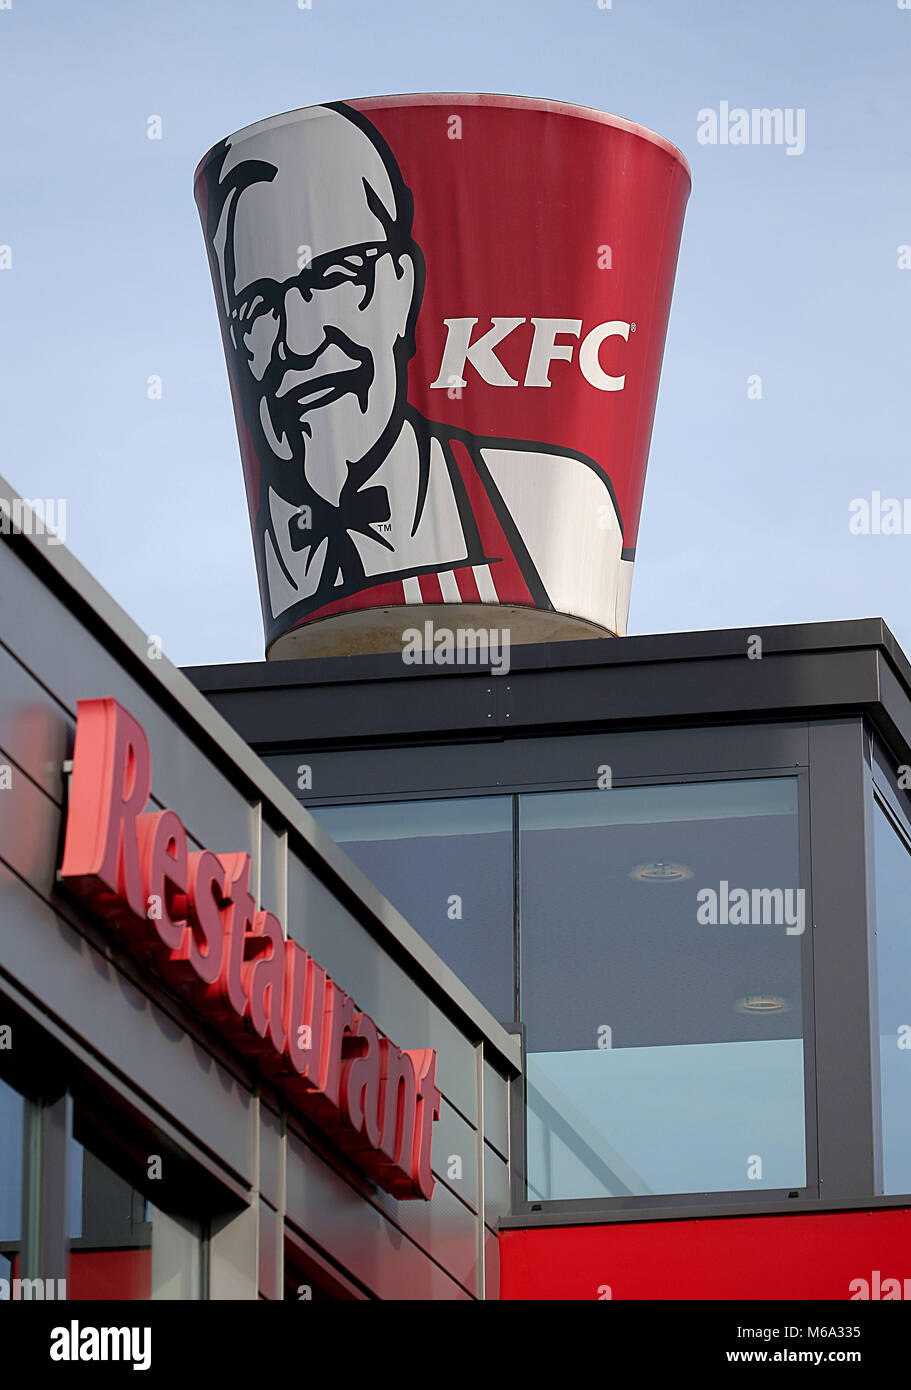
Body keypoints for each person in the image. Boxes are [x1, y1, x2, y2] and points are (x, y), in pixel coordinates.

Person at [199, 102, 628, 638]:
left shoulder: (552, 503)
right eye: (259, 305)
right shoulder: (260, 561)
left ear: (402, 286)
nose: (301, 339)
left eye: (336, 276)